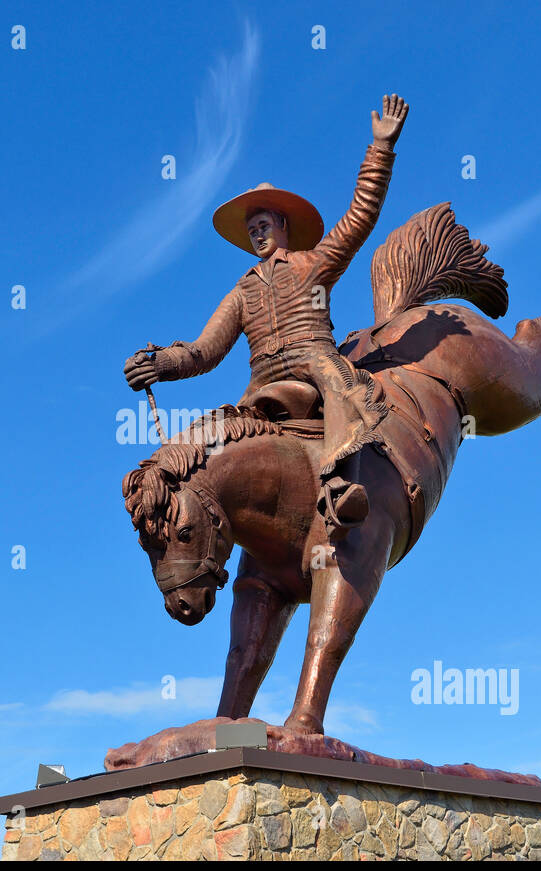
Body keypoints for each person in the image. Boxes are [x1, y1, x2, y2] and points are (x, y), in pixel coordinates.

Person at [124, 94, 410, 539]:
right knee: (221, 433)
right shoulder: (241, 290)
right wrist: (161, 364)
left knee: (341, 385)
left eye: (264, 225)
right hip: (263, 382)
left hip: (314, 359)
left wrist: (381, 148)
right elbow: (204, 351)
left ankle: (338, 483)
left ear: (283, 225)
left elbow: (360, 217)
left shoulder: (313, 263)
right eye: (252, 229)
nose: (258, 234)